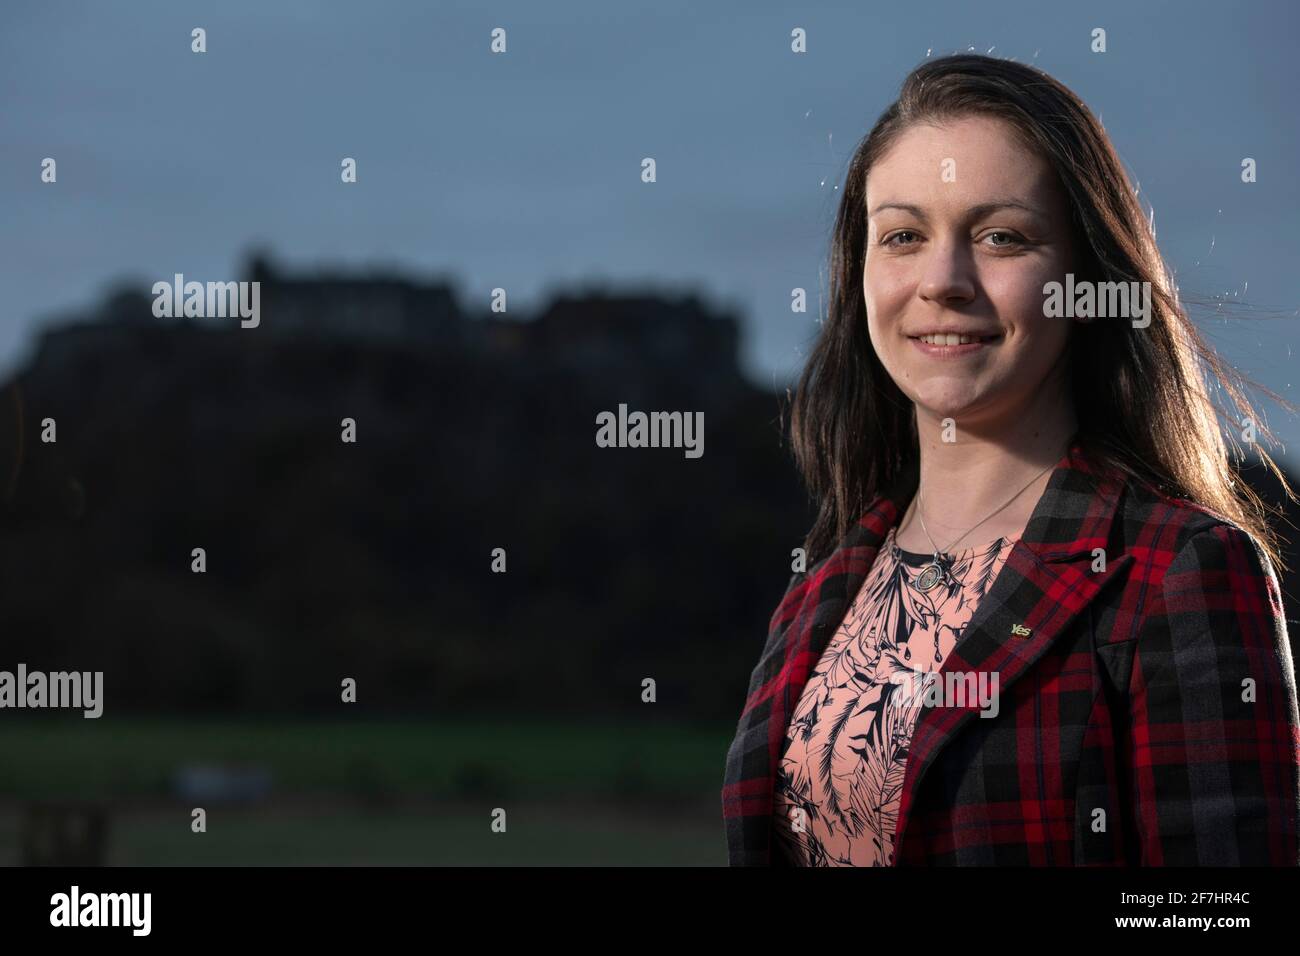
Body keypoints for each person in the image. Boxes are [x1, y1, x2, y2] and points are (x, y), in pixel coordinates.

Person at [722, 53, 1300, 866]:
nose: (944, 280)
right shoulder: (822, 584)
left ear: (1084, 276)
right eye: (903, 236)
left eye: (1001, 237)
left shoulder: (1181, 571)